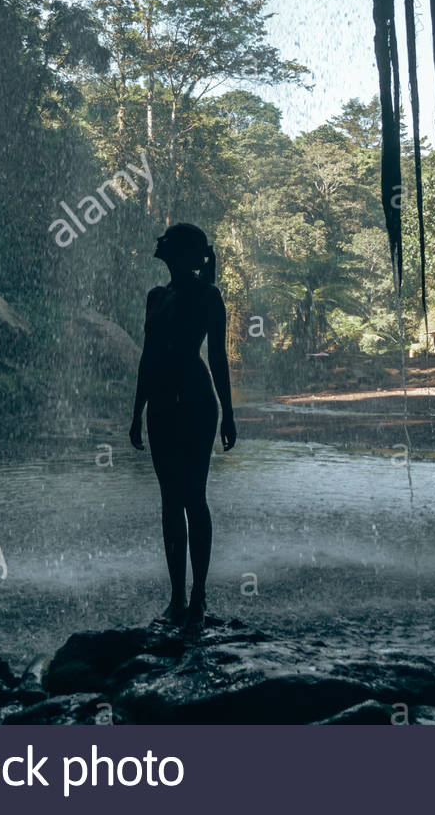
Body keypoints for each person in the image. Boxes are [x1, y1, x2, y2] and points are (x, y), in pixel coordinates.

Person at [129, 222, 236, 629]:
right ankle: (177, 598)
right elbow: (147, 357)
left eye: (174, 249)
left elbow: (220, 358)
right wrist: (136, 412)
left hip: (194, 400)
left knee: (193, 496)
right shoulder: (156, 297)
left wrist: (228, 412)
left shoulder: (209, 296)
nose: (168, 255)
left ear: (185, 256)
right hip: (160, 403)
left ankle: (198, 597)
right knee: (171, 501)